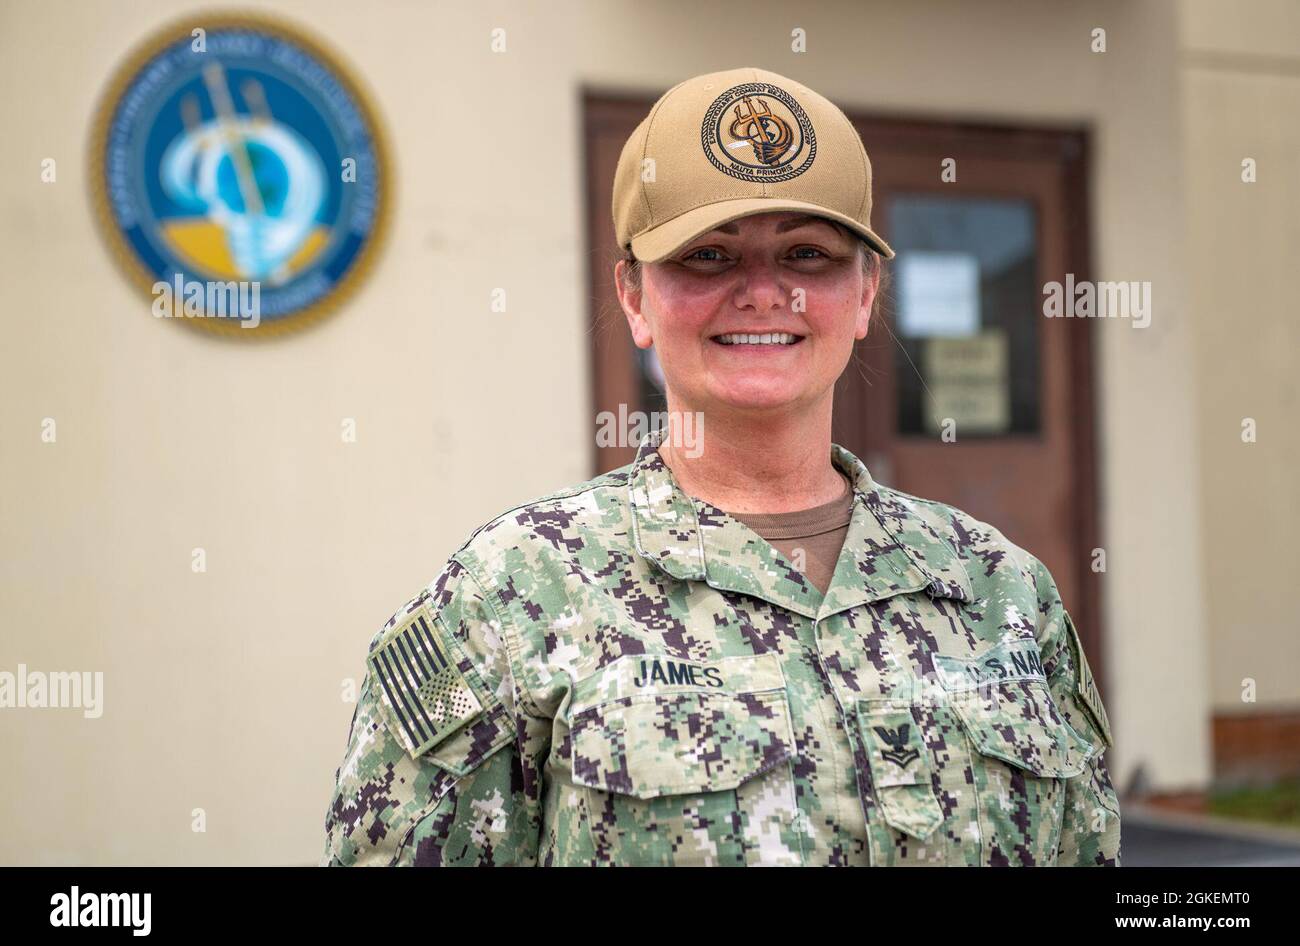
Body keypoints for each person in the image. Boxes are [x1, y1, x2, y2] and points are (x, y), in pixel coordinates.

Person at [320, 66, 1120, 866]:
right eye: (708, 256)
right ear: (634, 295)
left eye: (809, 254)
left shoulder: (1001, 592)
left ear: (867, 291)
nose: (764, 292)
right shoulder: (511, 595)